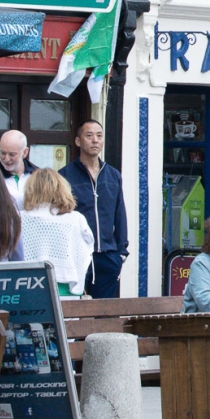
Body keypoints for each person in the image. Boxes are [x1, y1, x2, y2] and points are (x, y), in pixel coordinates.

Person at [60, 120, 126, 298]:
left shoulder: (113, 175)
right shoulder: (64, 176)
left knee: (105, 314)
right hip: (77, 255)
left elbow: (120, 215)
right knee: (75, 312)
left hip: (107, 255)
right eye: (89, 136)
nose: (95, 140)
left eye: (99, 135)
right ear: (78, 141)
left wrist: (121, 253)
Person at [19, 168, 93, 296]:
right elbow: (85, 254)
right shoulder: (76, 219)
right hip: (67, 291)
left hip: (28, 288)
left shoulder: (19, 218)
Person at [0, 129, 37, 209]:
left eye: (12, 154)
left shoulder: (37, 175)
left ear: (25, 152)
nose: (7, 159)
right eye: (3, 153)